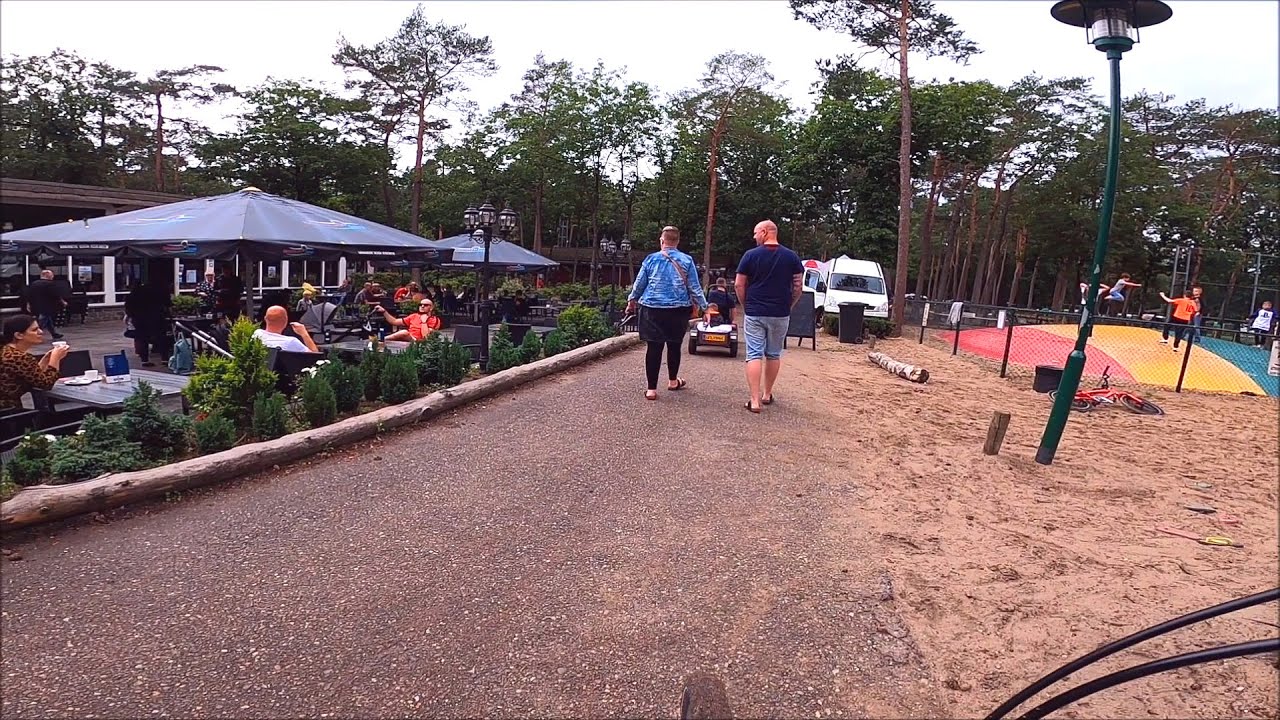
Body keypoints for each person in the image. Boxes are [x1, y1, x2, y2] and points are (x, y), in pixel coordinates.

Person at [626, 226, 710, 401]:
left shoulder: (651, 259)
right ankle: (672, 381)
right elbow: (694, 287)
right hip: (678, 310)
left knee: (654, 347)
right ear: (677, 242)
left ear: (662, 241)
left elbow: (640, 284)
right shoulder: (687, 260)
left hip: (652, 309)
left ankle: (651, 390)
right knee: (674, 345)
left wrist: (632, 300)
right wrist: (705, 307)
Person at [735, 219, 805, 413]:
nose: (754, 236)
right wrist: (789, 304)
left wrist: (745, 305)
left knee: (754, 354)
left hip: (755, 312)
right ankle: (767, 394)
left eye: (756, 233)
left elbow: (739, 284)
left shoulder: (750, 256)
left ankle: (754, 400)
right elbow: (798, 286)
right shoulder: (791, 257)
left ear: (765, 232)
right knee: (773, 353)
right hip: (780, 313)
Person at [0, 314, 69, 412]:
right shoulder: (18, 357)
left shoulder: (6, 351)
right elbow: (46, 384)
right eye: (34, 330)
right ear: (19, 335)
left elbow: (33, 377)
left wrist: (45, 361)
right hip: (8, 414)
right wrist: (55, 359)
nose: (40, 332)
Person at [124, 280, 172, 367]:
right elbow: (168, 304)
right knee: (161, 337)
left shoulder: (133, 294)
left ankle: (144, 360)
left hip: (139, 319)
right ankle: (164, 358)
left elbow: (128, 308)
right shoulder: (158, 292)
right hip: (157, 317)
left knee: (142, 338)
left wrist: (131, 316)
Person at [23, 269, 68, 340]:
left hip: (36, 305)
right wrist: (62, 302)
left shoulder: (34, 284)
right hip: (47, 305)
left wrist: (28, 304)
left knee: (48, 320)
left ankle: (54, 333)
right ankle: (34, 334)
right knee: (42, 321)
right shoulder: (50, 284)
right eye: (52, 275)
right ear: (48, 276)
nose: (53, 277)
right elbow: (56, 295)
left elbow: (28, 295)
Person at [252, 306, 318, 353]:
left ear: (265, 319)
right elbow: (315, 356)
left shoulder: (257, 334)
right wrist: (304, 333)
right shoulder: (291, 342)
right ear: (286, 321)